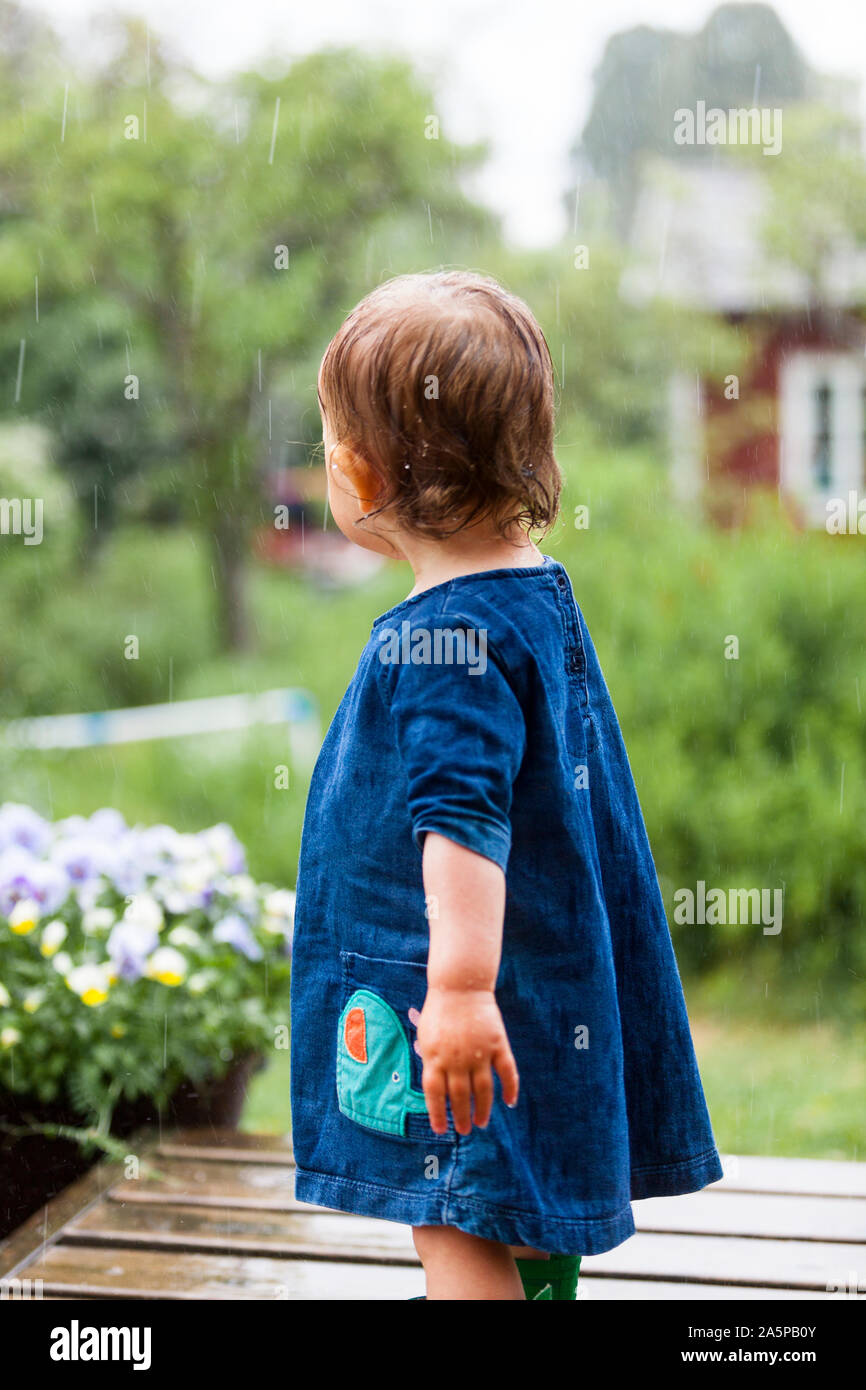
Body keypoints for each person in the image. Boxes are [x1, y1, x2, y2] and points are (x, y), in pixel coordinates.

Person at [290, 270, 723, 1300]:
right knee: (517, 1189)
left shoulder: (440, 639)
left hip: (451, 997)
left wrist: (456, 990)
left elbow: (461, 820)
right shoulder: (530, 594)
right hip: (541, 979)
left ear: (358, 470)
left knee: (452, 1212)